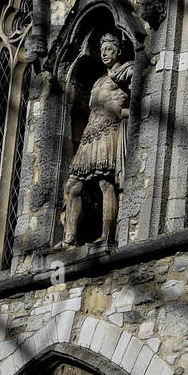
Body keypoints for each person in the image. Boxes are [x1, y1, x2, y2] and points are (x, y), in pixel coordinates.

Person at [61, 33, 132, 249]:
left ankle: (107, 236)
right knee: (73, 185)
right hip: (90, 134)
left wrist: (125, 113)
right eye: (102, 49)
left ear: (118, 50)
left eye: (109, 49)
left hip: (110, 131)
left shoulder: (127, 69)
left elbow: (141, 98)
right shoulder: (99, 80)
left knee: (105, 183)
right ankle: (69, 239)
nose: (104, 53)